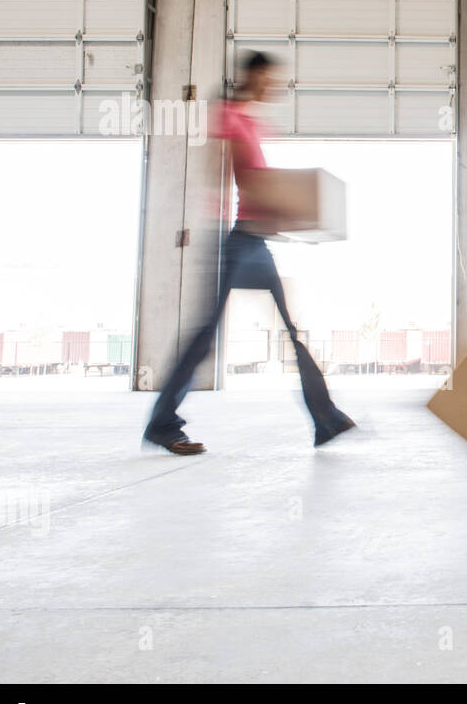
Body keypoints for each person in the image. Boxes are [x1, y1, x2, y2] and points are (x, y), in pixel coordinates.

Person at [143, 51, 355, 455]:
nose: (274, 87)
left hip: (253, 239)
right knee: (207, 334)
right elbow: (243, 183)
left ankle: (325, 418)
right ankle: (162, 423)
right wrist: (286, 211)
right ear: (254, 75)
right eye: (269, 79)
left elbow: (259, 188)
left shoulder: (252, 124)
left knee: (289, 329)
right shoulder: (229, 117)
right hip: (237, 243)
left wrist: (286, 217)